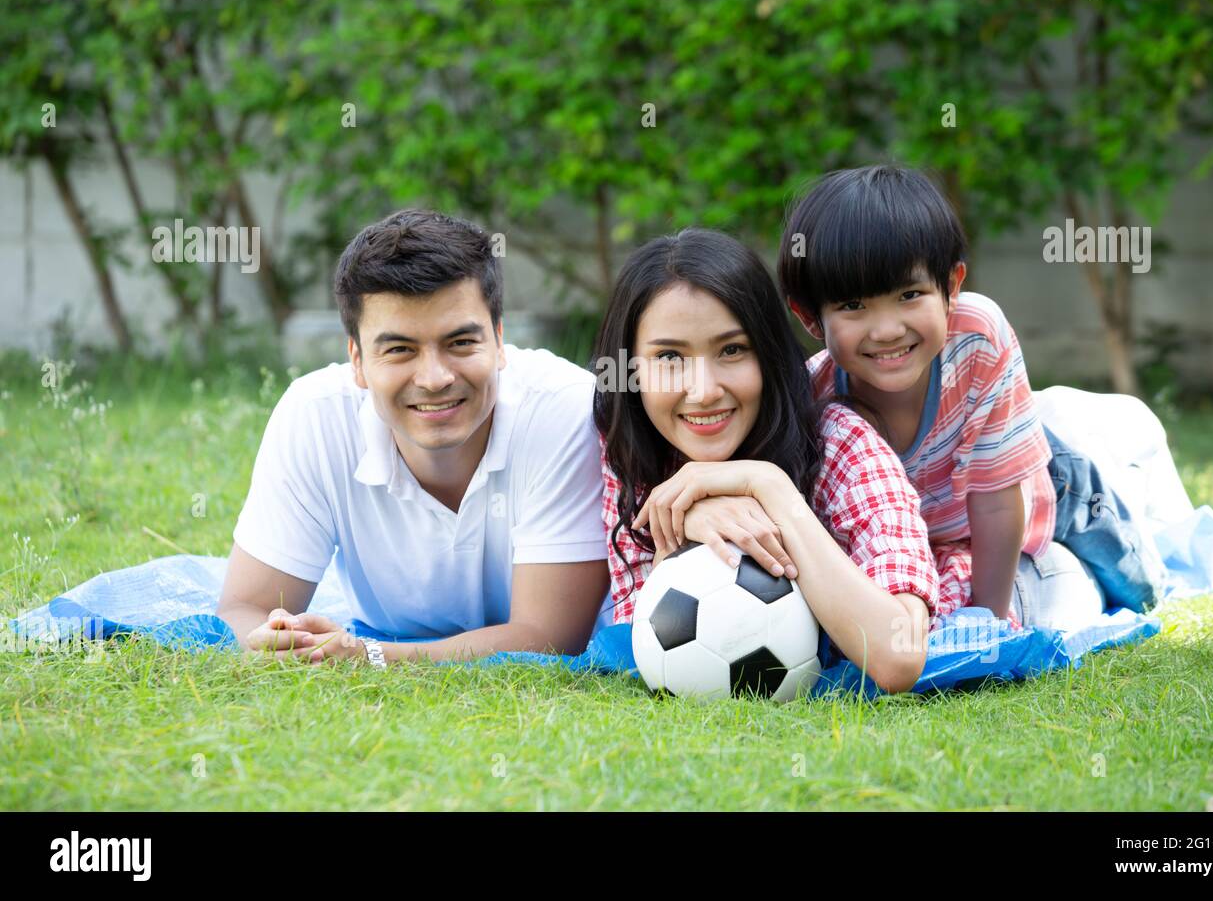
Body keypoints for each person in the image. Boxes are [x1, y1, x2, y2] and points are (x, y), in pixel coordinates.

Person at [216, 210, 611, 665]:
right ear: (357, 361)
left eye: (461, 343)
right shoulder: (314, 415)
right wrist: (284, 643)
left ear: (500, 342)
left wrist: (369, 657)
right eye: (400, 349)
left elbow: (550, 637)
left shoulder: (565, 409)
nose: (435, 378)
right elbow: (246, 607)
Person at [778, 165, 1161, 630]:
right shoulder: (814, 398)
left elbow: (998, 500)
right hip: (939, 525)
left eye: (909, 294)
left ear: (952, 287)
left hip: (1044, 485)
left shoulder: (975, 337)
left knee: (1136, 587)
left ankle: (1131, 477)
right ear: (811, 319)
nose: (886, 330)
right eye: (853, 306)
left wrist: (988, 620)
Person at [593, 228, 955, 694]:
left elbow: (899, 658)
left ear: (769, 356)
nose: (703, 391)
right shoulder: (632, 452)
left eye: (732, 350)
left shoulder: (841, 444)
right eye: (669, 357)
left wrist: (769, 488)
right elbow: (644, 632)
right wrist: (688, 520)